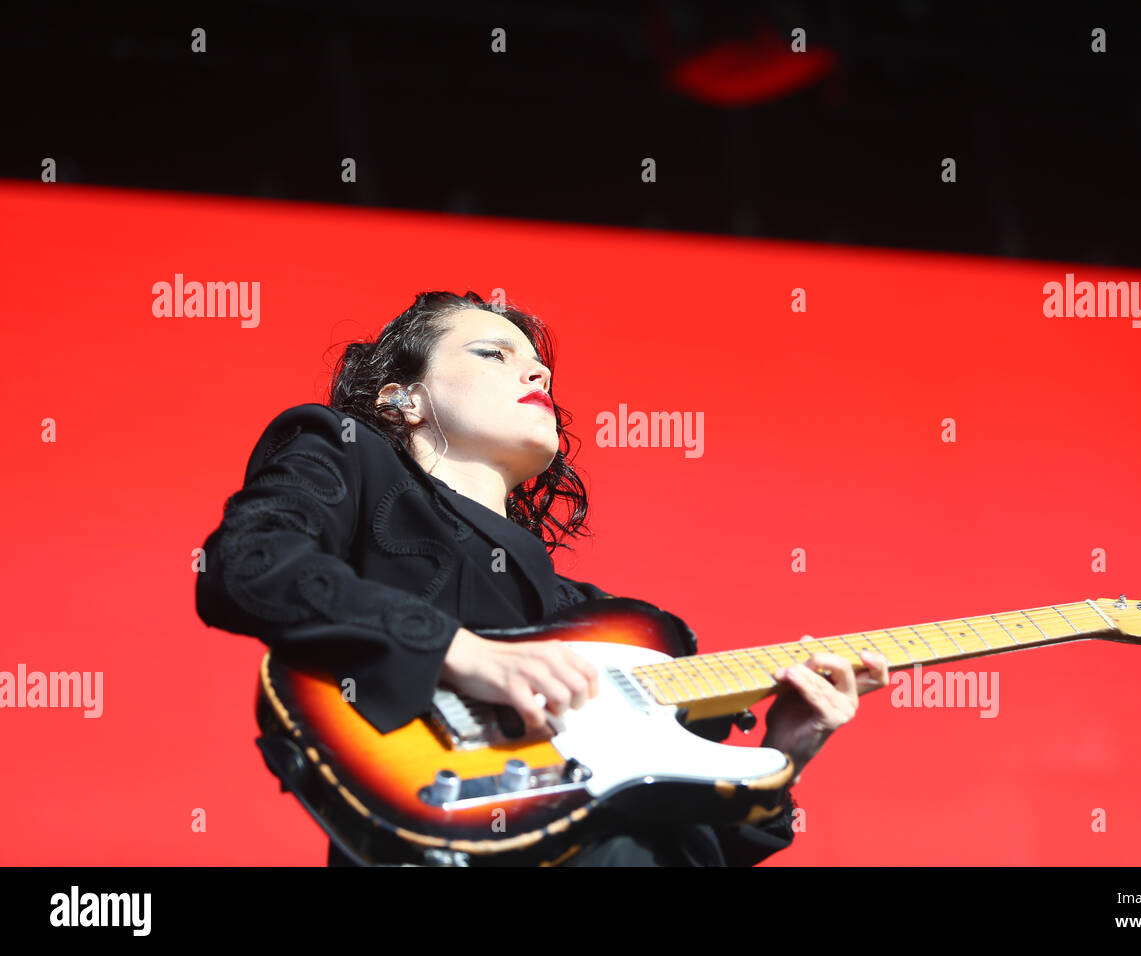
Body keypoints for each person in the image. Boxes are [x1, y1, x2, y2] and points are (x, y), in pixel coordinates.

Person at [195, 290, 890, 866]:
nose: (537, 376)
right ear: (401, 399)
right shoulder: (343, 450)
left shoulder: (593, 619)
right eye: (494, 354)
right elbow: (252, 563)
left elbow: (676, 830)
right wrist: (460, 653)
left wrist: (785, 750)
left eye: (542, 370)